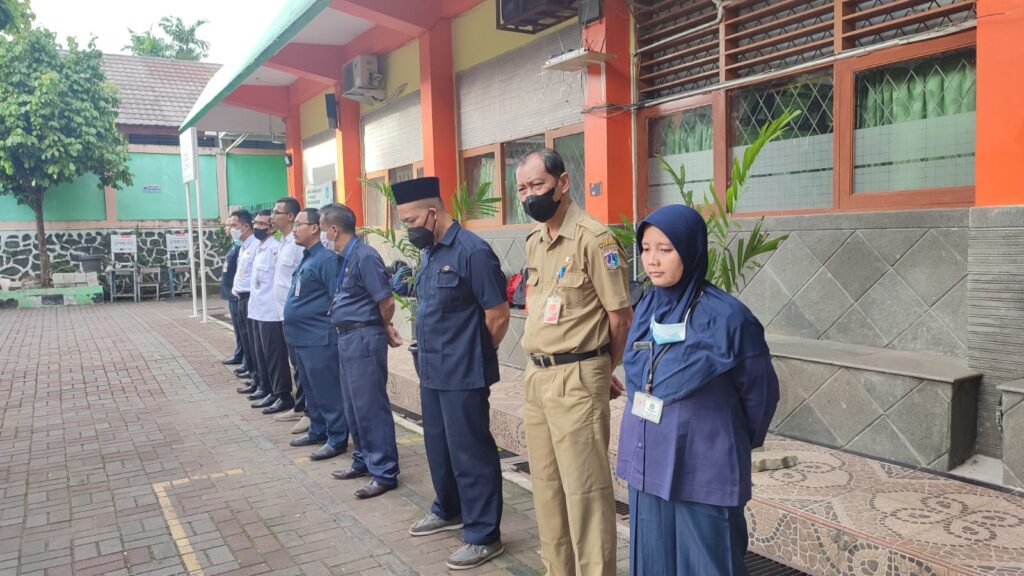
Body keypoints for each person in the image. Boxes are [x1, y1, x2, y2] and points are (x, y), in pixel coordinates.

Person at [617, 205, 779, 576]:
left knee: (707, 562)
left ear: (690, 250)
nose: (652, 261)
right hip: (647, 462)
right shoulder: (644, 308)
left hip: (705, 466)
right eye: (645, 248)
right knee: (652, 560)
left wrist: (730, 441)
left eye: (665, 249)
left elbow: (761, 393)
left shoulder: (729, 318)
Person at [516, 148, 632, 576]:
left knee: (586, 493)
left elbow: (620, 318)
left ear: (563, 183)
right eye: (523, 189)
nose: (530, 196)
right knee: (546, 487)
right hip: (537, 377)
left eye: (538, 186)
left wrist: (603, 369)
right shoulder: (535, 242)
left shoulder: (594, 239)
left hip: (578, 376)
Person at [394, 177, 510, 571]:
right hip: (431, 370)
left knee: (471, 453)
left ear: (432, 212)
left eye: (410, 219)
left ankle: (483, 535)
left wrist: (476, 353)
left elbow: (497, 315)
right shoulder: (428, 253)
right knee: (439, 448)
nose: (406, 228)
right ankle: (448, 509)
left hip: (464, 372)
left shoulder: (472, 252)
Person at [321, 203, 403, 499]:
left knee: (370, 405)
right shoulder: (346, 256)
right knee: (353, 405)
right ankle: (363, 460)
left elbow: (387, 301)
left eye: (322, 230)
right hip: (347, 336)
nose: (322, 237)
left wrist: (383, 326)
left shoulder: (365, 256)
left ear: (334, 229)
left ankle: (384, 472)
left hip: (363, 335)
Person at [282, 207, 350, 462]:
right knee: (310, 390)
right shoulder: (307, 256)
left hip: (319, 338)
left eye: (298, 224)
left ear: (314, 228)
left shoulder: (326, 259)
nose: (294, 230)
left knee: (327, 391)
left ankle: (337, 438)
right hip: (300, 338)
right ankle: (318, 429)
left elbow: (337, 298)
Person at [246, 210, 294, 414]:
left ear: (271, 228)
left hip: (272, 312)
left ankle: (282, 394)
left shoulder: (275, 248)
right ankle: (269, 390)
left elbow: (280, 282)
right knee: (262, 354)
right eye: (255, 223)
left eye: (262, 224)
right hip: (257, 309)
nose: (256, 227)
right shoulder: (261, 247)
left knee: (275, 356)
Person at [271, 197, 307, 425]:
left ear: (290, 217)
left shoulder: (297, 246)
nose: (272, 216)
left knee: (303, 365)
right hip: (283, 313)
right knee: (295, 363)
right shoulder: (283, 242)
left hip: (297, 315)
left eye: (277, 212)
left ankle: (308, 411)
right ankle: (300, 406)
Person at [229, 210, 261, 394]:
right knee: (247, 342)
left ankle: (260, 381)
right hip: (241, 298)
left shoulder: (256, 245)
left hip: (250, 298)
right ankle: (255, 378)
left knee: (254, 344)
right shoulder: (244, 246)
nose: (232, 229)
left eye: (235, 225)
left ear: (246, 226)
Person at [220, 218, 245, 367]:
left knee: (243, 330)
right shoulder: (234, 245)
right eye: (227, 225)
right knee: (238, 329)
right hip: (231, 292)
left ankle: (245, 360)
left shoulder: (241, 245)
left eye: (232, 225)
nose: (227, 228)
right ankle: (239, 354)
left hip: (237, 295)